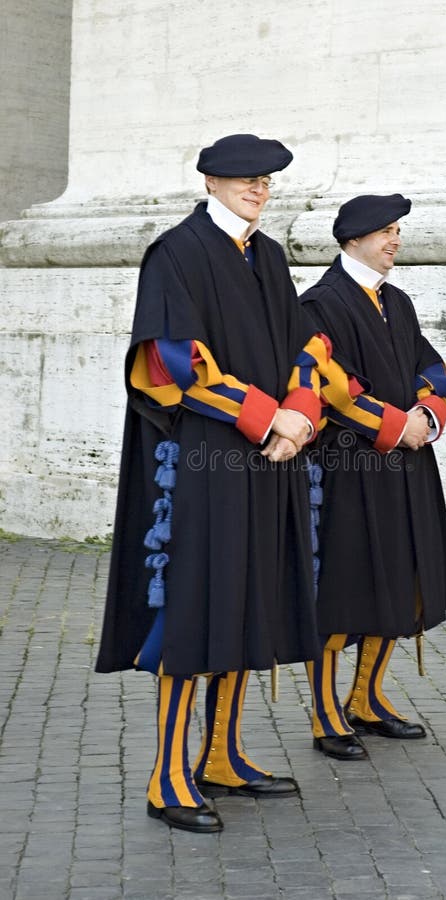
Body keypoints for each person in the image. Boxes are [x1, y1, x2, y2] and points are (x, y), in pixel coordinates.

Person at [95, 134, 331, 832]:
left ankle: (222, 755)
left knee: (248, 601)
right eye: (243, 180)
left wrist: (301, 417)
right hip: (206, 463)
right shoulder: (177, 252)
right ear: (209, 181)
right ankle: (167, 778)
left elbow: (306, 349)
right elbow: (173, 361)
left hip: (271, 464)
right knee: (196, 609)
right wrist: (268, 420)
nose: (257, 189)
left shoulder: (270, 255)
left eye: (264, 181)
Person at [300, 193, 446, 761]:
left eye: (397, 230)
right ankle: (325, 715)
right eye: (384, 231)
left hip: (407, 467)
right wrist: (397, 426)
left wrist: (428, 414)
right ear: (352, 239)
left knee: (401, 580)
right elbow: (330, 384)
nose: (395, 240)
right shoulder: (320, 303)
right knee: (342, 590)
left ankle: (365, 699)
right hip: (350, 468)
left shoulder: (397, 300)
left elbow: (431, 366)